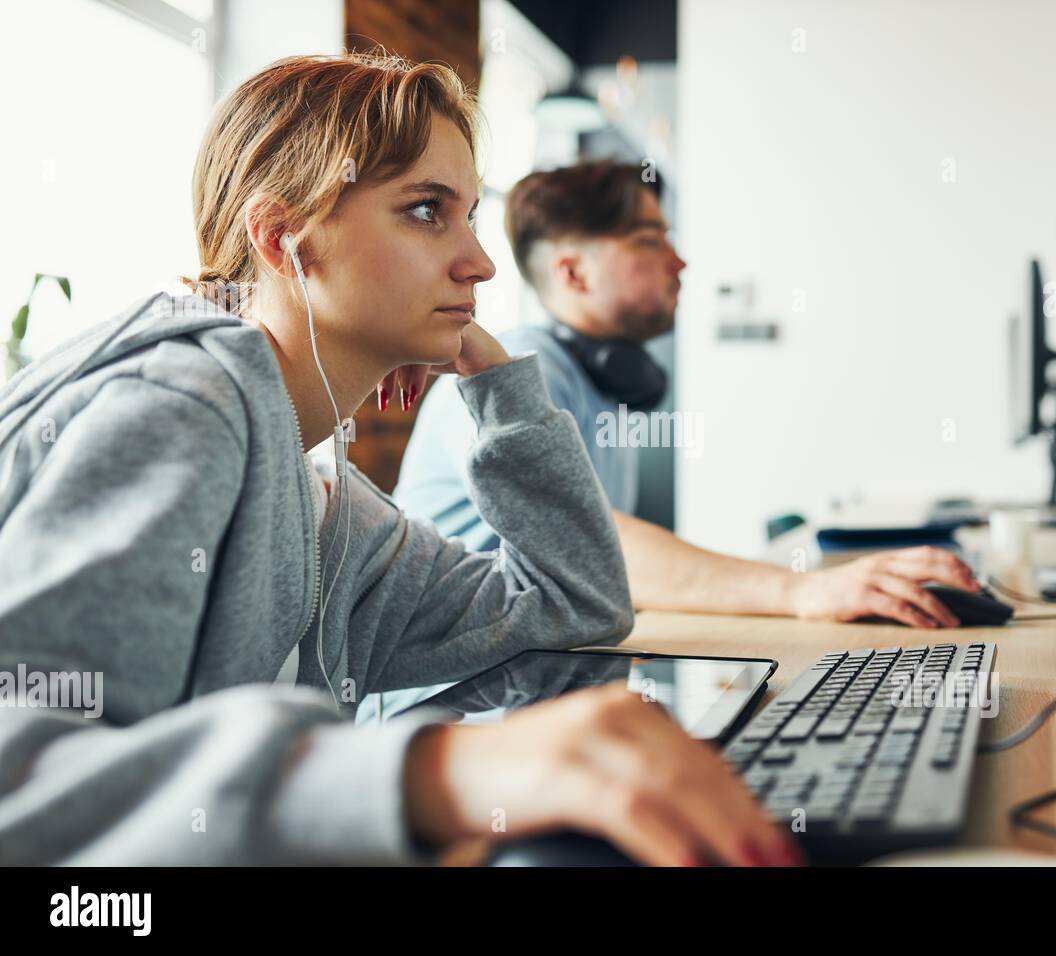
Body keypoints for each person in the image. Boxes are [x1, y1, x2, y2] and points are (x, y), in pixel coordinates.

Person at [0, 53, 800, 867]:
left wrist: (501, 388)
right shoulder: (175, 406)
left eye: (470, 216)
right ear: (282, 240)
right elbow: (18, 789)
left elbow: (575, 608)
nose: (481, 262)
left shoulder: (321, 505)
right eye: (425, 211)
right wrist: (437, 772)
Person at [366, 162, 981, 718]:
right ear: (573, 271)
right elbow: (605, 552)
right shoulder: (516, 375)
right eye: (649, 240)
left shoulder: (600, 380)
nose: (679, 262)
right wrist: (806, 590)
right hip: (450, 710)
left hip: (538, 682)